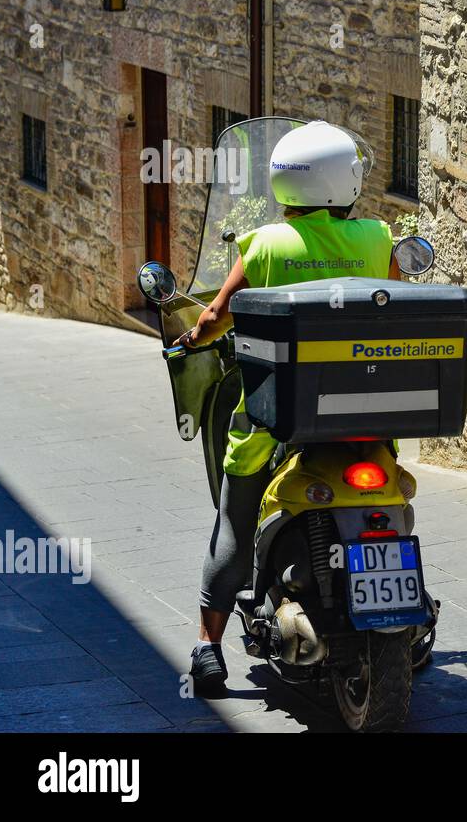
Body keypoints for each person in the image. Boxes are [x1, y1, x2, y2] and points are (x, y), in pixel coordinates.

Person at [176, 121, 401, 694]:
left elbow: (216, 316)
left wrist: (192, 339)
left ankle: (208, 646)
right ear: (344, 182)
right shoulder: (377, 237)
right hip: (364, 414)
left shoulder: (266, 245)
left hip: (280, 419)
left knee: (235, 520)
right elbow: (394, 302)